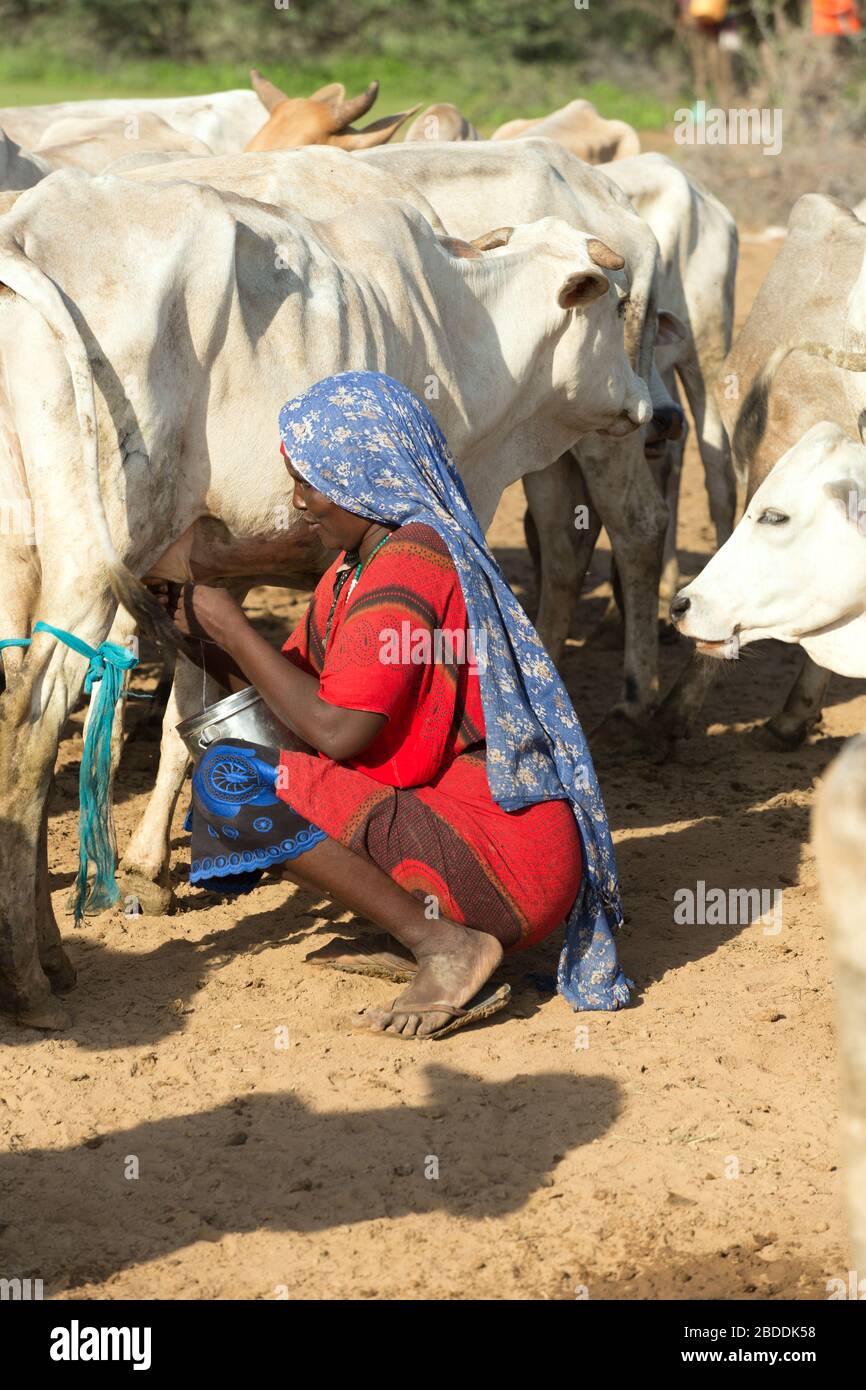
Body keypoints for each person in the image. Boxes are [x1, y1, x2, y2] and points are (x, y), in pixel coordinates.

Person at [153, 372, 629, 1039]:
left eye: (311, 482)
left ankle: (447, 944)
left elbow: (335, 732)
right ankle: (424, 928)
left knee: (230, 784)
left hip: (508, 857)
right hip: (482, 836)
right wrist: (192, 631)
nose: (300, 503)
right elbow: (283, 716)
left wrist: (232, 626)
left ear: (360, 477)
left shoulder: (411, 565)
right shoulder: (360, 569)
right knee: (260, 768)